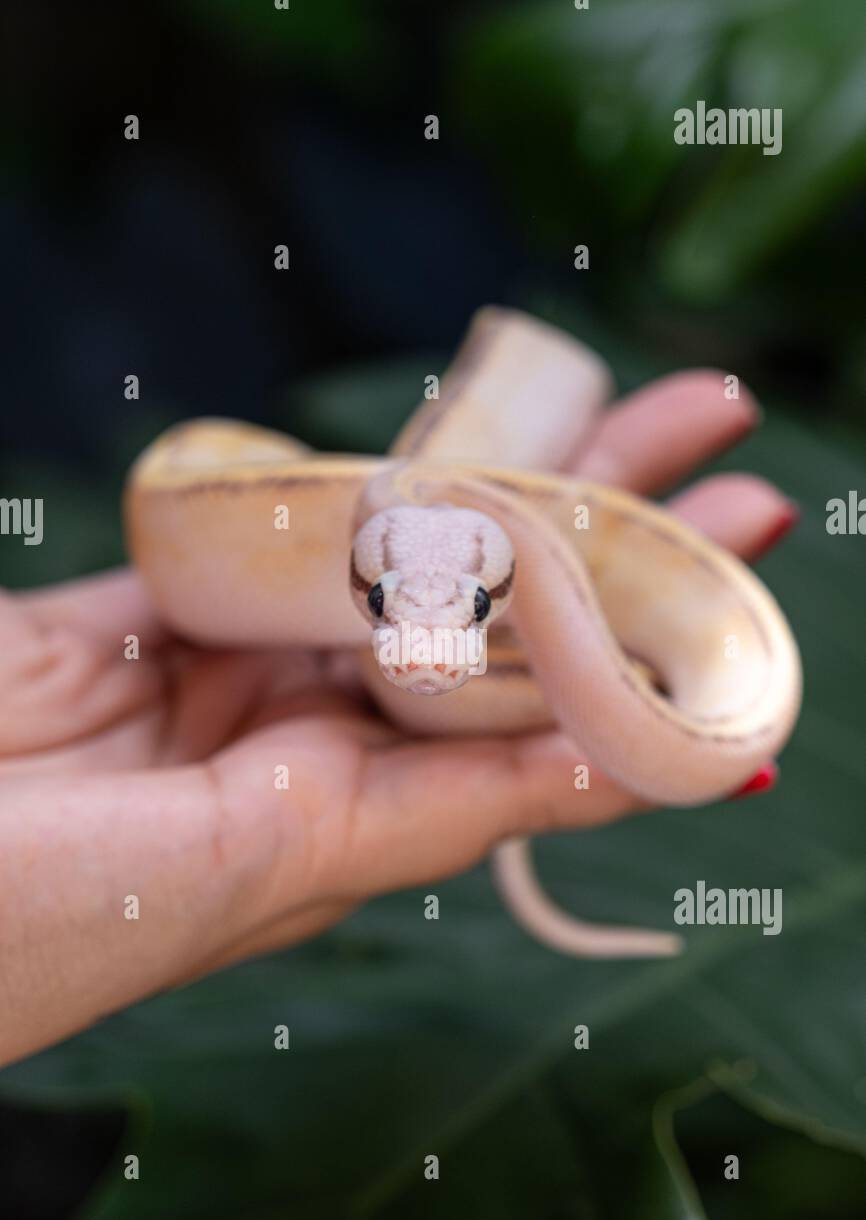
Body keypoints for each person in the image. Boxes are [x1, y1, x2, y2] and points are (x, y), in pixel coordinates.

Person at [0, 371, 798, 1067]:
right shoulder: (392, 531)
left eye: (477, 611)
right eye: (379, 607)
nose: (426, 660)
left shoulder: (452, 539)